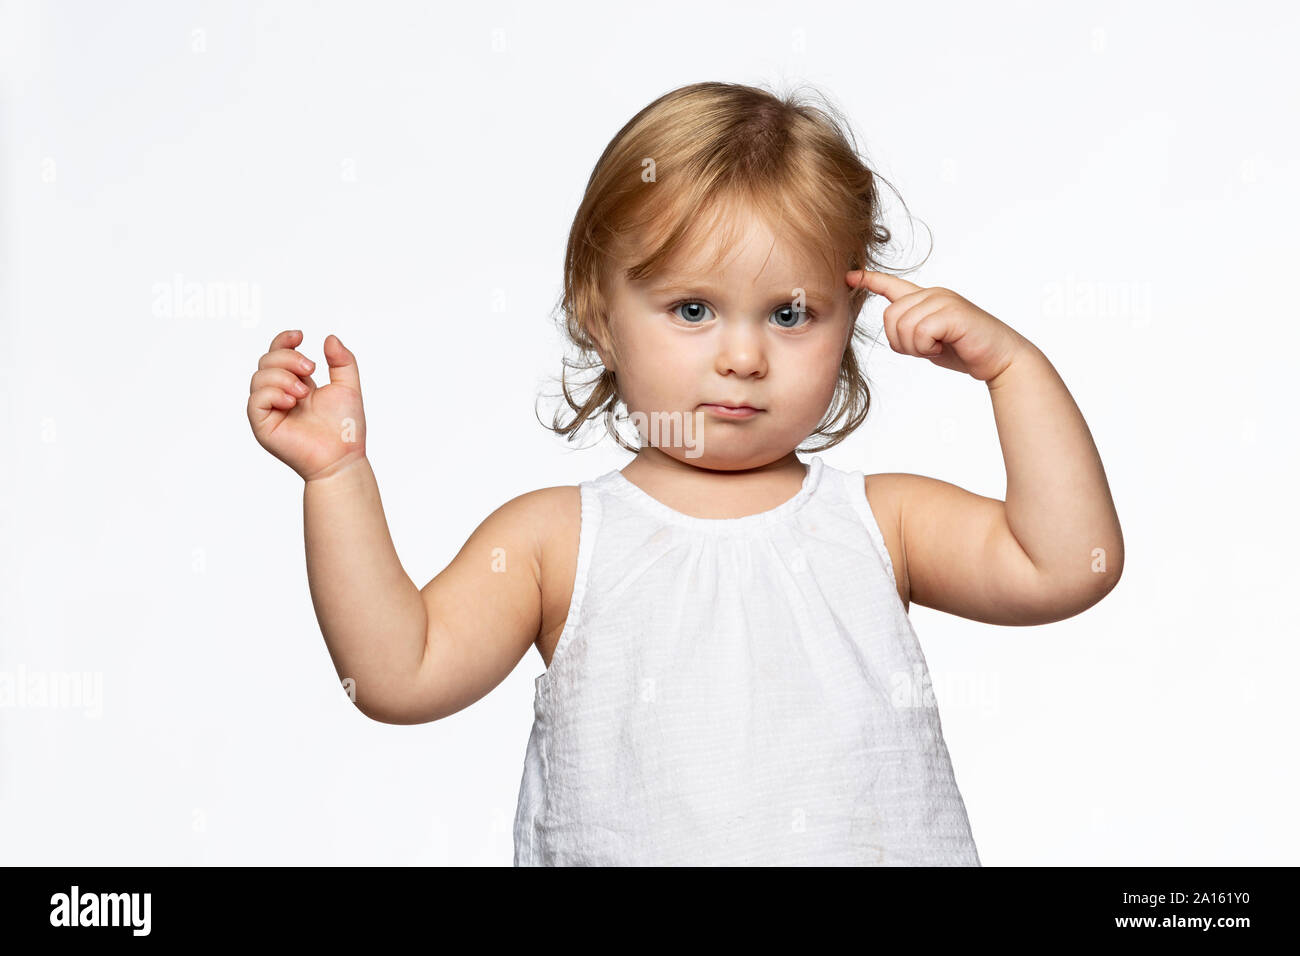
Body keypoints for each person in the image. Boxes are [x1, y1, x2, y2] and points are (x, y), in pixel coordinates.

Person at [246, 81, 1124, 866]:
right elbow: (399, 675)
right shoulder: (556, 539)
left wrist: (1014, 370)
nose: (743, 356)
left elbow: (1065, 563)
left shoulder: (881, 522)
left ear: (850, 315)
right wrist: (338, 479)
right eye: (693, 308)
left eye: (790, 313)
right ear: (600, 307)